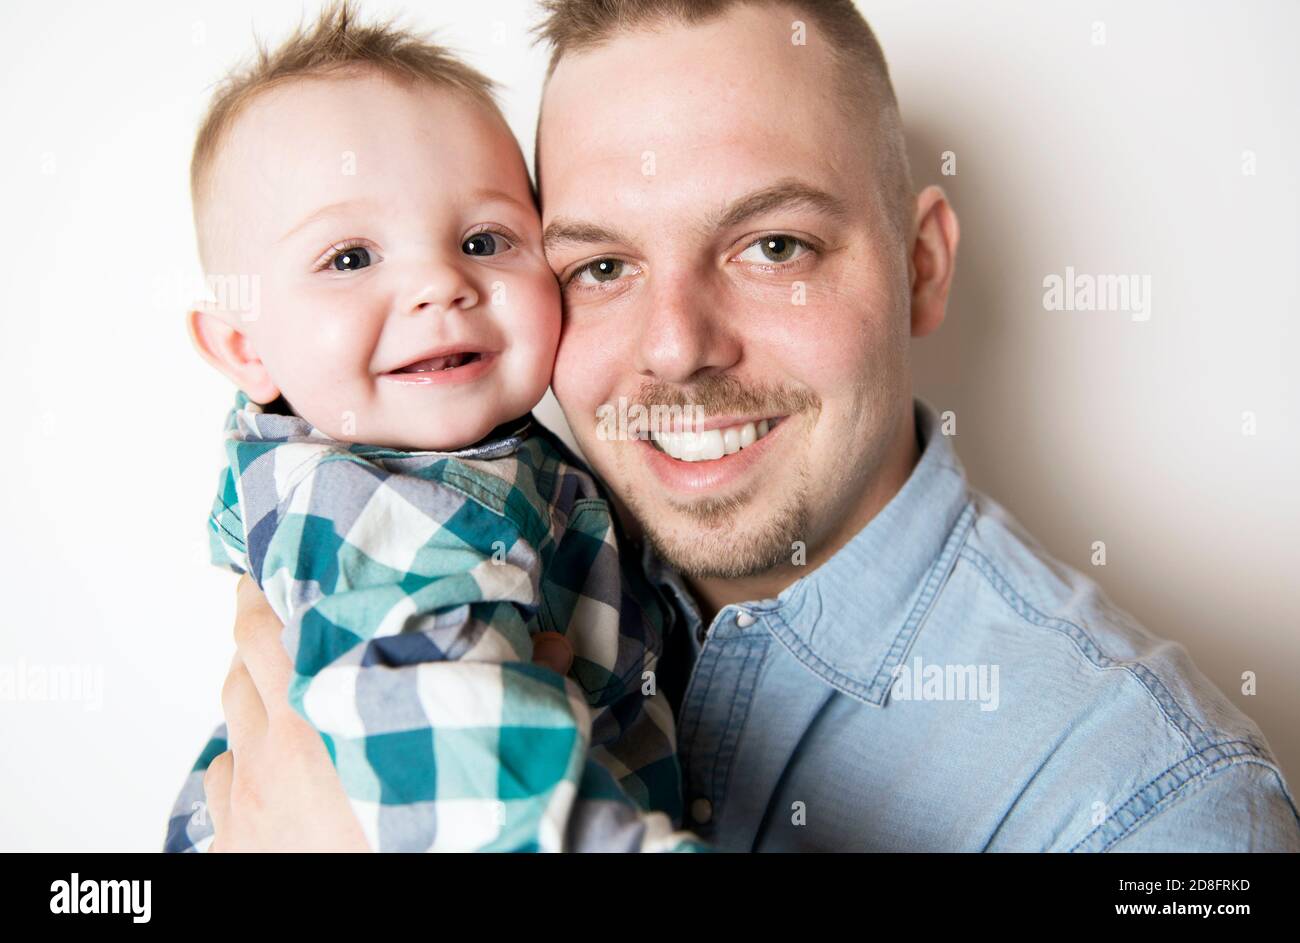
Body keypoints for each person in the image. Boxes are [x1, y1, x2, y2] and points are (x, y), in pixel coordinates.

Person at [206, 0, 1300, 851]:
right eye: (601, 264)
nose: (676, 345)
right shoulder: (456, 540)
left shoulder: (1155, 806)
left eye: (772, 246)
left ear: (922, 267)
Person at [164, 2, 705, 853]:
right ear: (243, 346)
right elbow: (461, 794)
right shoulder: (372, 507)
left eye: (486, 240)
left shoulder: (482, 465)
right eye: (350, 258)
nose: (440, 284)